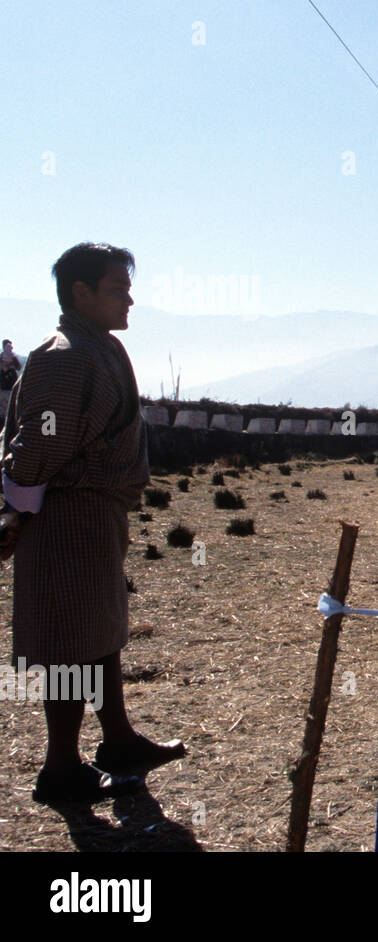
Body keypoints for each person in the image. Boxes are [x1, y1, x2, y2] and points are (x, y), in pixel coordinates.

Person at [0, 243, 185, 803]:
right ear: (80, 293)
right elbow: (37, 445)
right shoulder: (65, 355)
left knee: (98, 630)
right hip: (64, 519)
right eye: (116, 288)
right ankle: (60, 768)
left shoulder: (97, 348)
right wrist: (12, 510)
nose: (130, 299)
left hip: (95, 516)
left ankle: (119, 739)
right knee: (65, 639)